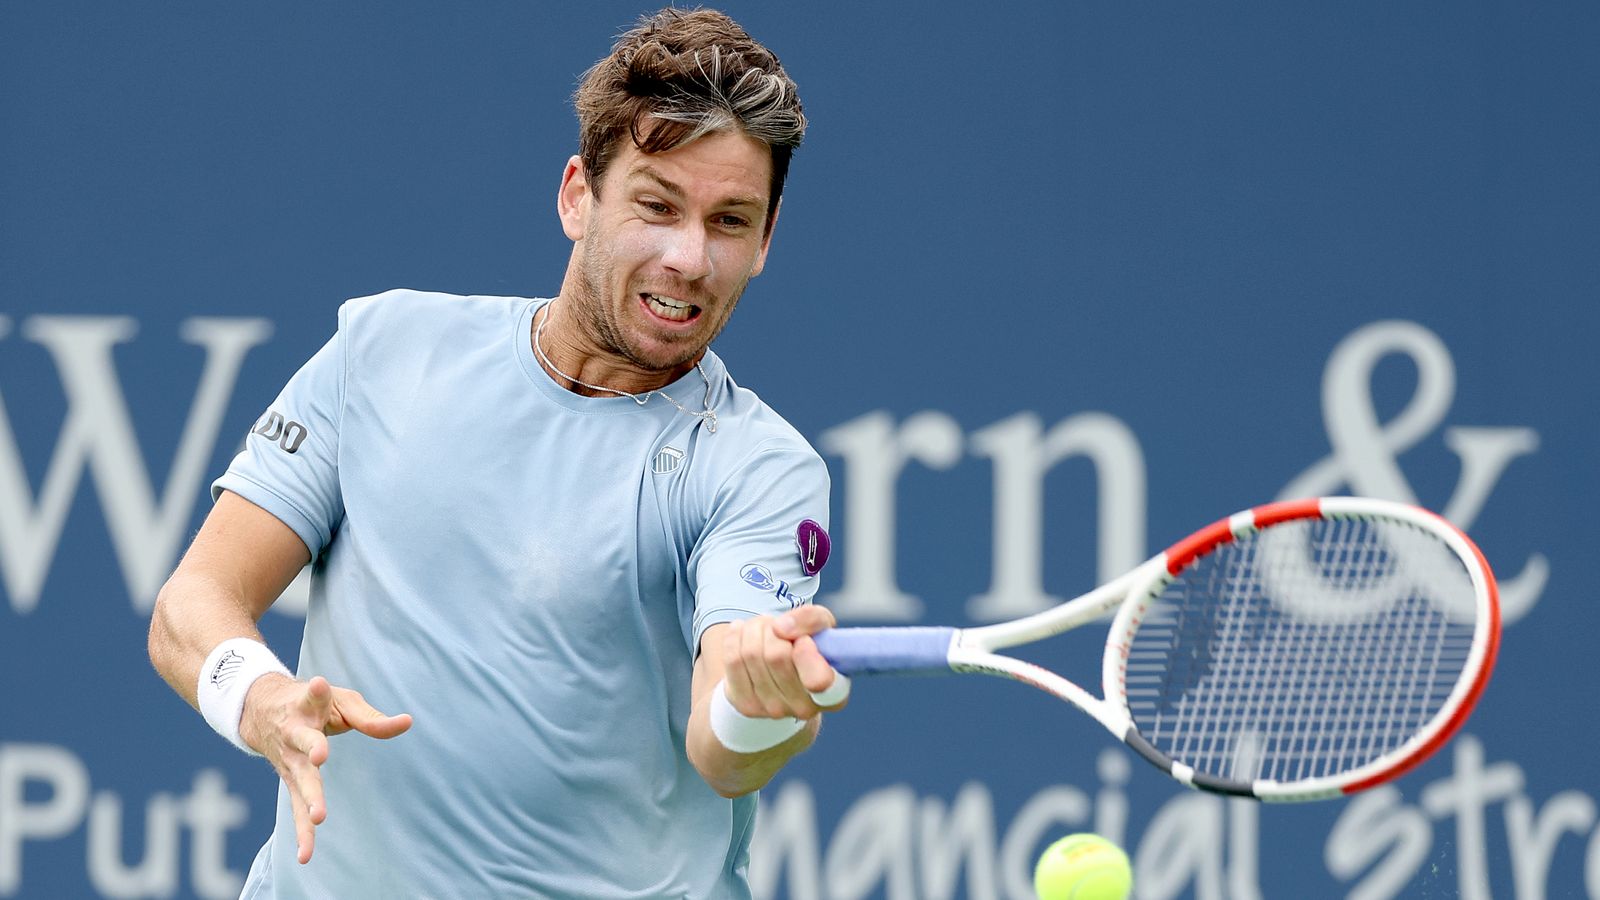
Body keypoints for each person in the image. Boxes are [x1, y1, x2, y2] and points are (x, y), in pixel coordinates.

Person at [147, 8, 845, 897]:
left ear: (764, 242)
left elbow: (724, 748)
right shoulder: (383, 348)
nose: (689, 257)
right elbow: (192, 605)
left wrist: (758, 704)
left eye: (729, 221)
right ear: (576, 196)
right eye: (657, 205)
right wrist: (258, 696)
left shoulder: (759, 470)